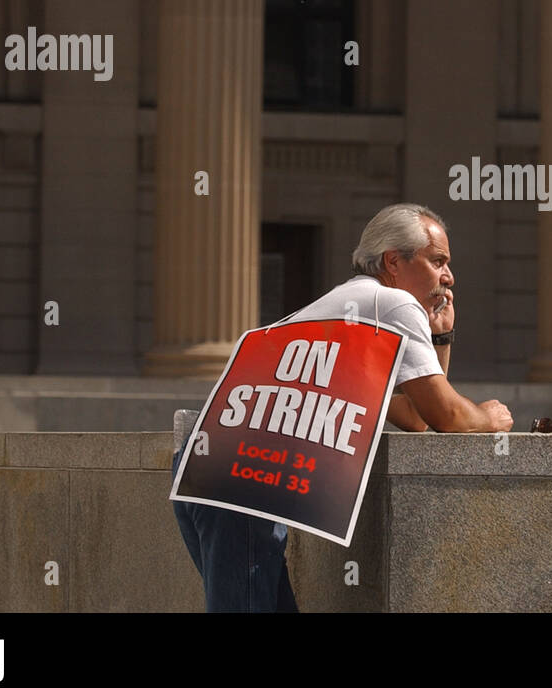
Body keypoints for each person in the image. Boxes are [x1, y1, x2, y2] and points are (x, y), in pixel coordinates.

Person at [172, 202, 513, 611]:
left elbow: (415, 419)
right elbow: (448, 417)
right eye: (438, 260)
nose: (449, 276)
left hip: (216, 467)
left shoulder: (351, 300)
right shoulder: (393, 305)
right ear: (393, 261)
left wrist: (441, 338)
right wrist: (490, 418)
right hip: (244, 475)